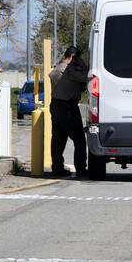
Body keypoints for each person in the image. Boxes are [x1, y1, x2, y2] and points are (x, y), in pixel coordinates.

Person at [49, 46, 90, 178]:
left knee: (58, 138)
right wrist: (82, 64)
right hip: (68, 107)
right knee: (79, 140)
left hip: (55, 105)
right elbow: (87, 76)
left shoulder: (56, 68)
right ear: (73, 57)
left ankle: (57, 168)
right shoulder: (70, 70)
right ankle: (81, 169)